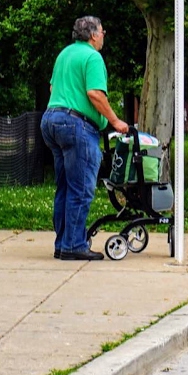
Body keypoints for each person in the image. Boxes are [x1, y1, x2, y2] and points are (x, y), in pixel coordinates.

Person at [41, 16, 130, 261]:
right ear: (93, 34)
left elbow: (52, 89)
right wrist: (115, 121)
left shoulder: (64, 55)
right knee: (80, 189)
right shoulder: (92, 57)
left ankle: (62, 243)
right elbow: (95, 94)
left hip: (51, 119)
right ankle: (74, 245)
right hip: (77, 126)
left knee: (65, 187)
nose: (103, 35)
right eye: (102, 31)